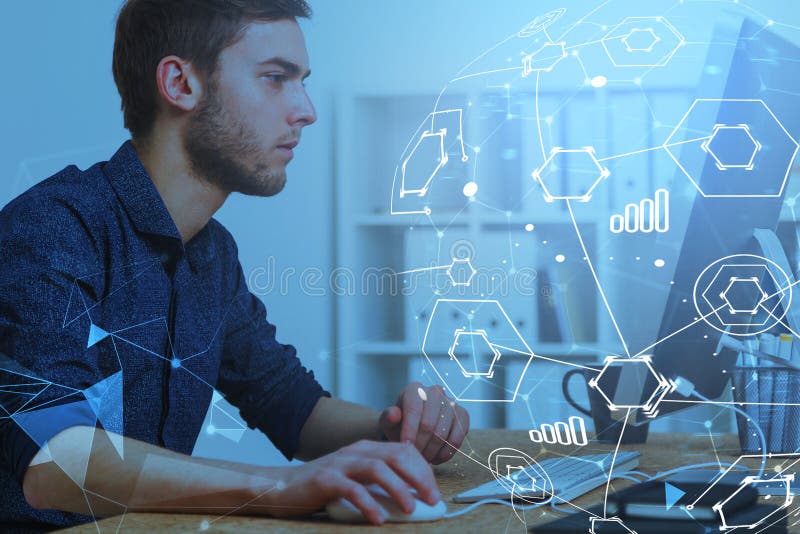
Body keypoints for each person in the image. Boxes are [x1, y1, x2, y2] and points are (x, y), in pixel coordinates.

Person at [0, 0, 469, 529]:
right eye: (275, 78)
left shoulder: (211, 251)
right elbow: (54, 462)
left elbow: (290, 406)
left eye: (302, 81)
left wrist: (398, 428)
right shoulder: (51, 228)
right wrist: (282, 488)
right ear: (180, 84)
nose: (306, 110)